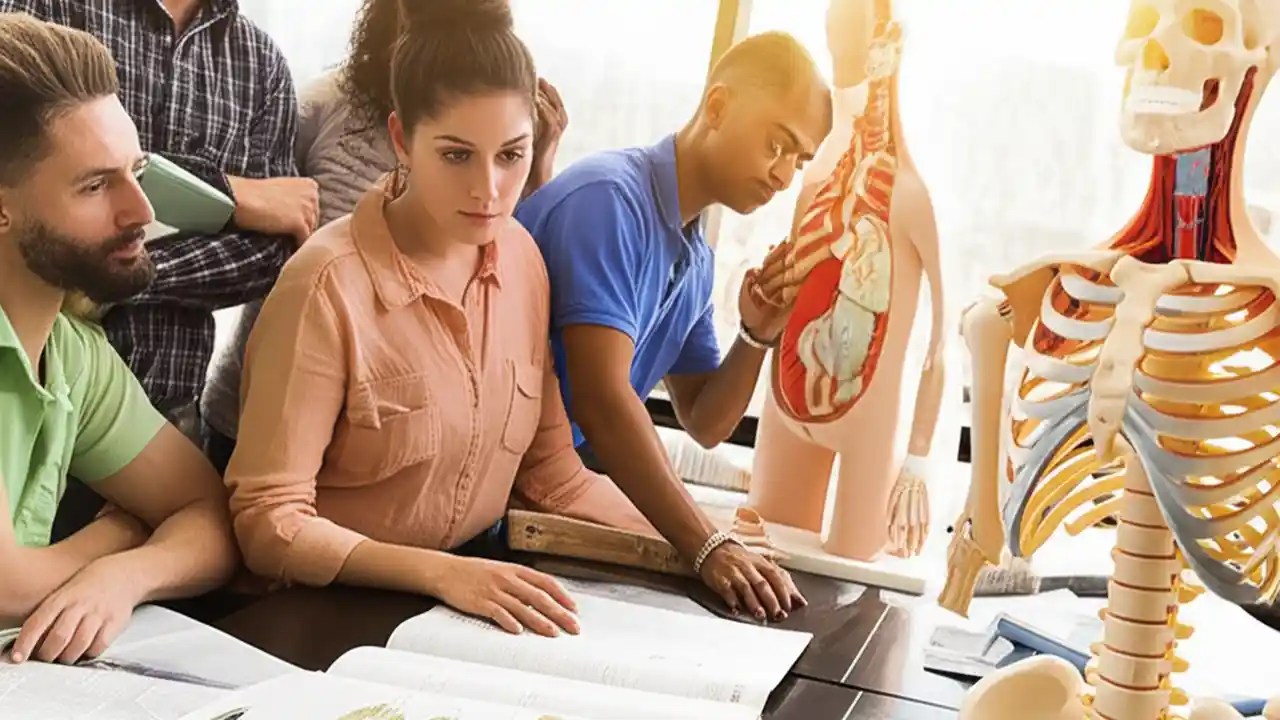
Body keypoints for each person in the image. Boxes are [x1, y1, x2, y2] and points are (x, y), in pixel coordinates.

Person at [224, 0, 650, 639]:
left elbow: (554, 477)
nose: (489, 189)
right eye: (457, 156)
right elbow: (268, 522)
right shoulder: (325, 285)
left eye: (512, 155)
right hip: (315, 617)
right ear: (402, 140)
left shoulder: (524, 263)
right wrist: (439, 574)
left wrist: (702, 540)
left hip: (454, 617)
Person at [514, 31, 833, 620]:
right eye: (777, 144)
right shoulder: (611, 201)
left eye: (801, 160)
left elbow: (705, 420)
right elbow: (601, 401)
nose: (785, 174)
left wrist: (758, 333)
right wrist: (704, 543)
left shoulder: (697, 253)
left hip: (578, 481)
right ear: (717, 107)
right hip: (518, 482)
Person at [200, 0, 568, 473]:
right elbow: (258, 227)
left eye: (509, 155)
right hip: (266, 418)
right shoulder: (322, 108)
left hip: (401, 431)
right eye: (455, 155)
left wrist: (537, 169)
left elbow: (498, 267)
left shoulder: (493, 126)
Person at [0, 13, 238, 664]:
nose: (141, 210)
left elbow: (211, 516)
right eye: (96, 185)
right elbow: (6, 587)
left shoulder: (71, 353)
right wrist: (122, 531)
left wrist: (126, 575)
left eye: (136, 171)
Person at [0, 0, 317, 434]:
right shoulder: (43, 7)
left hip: (168, 410)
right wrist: (231, 195)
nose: (142, 210)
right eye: (98, 187)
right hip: (25, 388)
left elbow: (270, 250)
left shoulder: (261, 65)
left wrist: (119, 279)